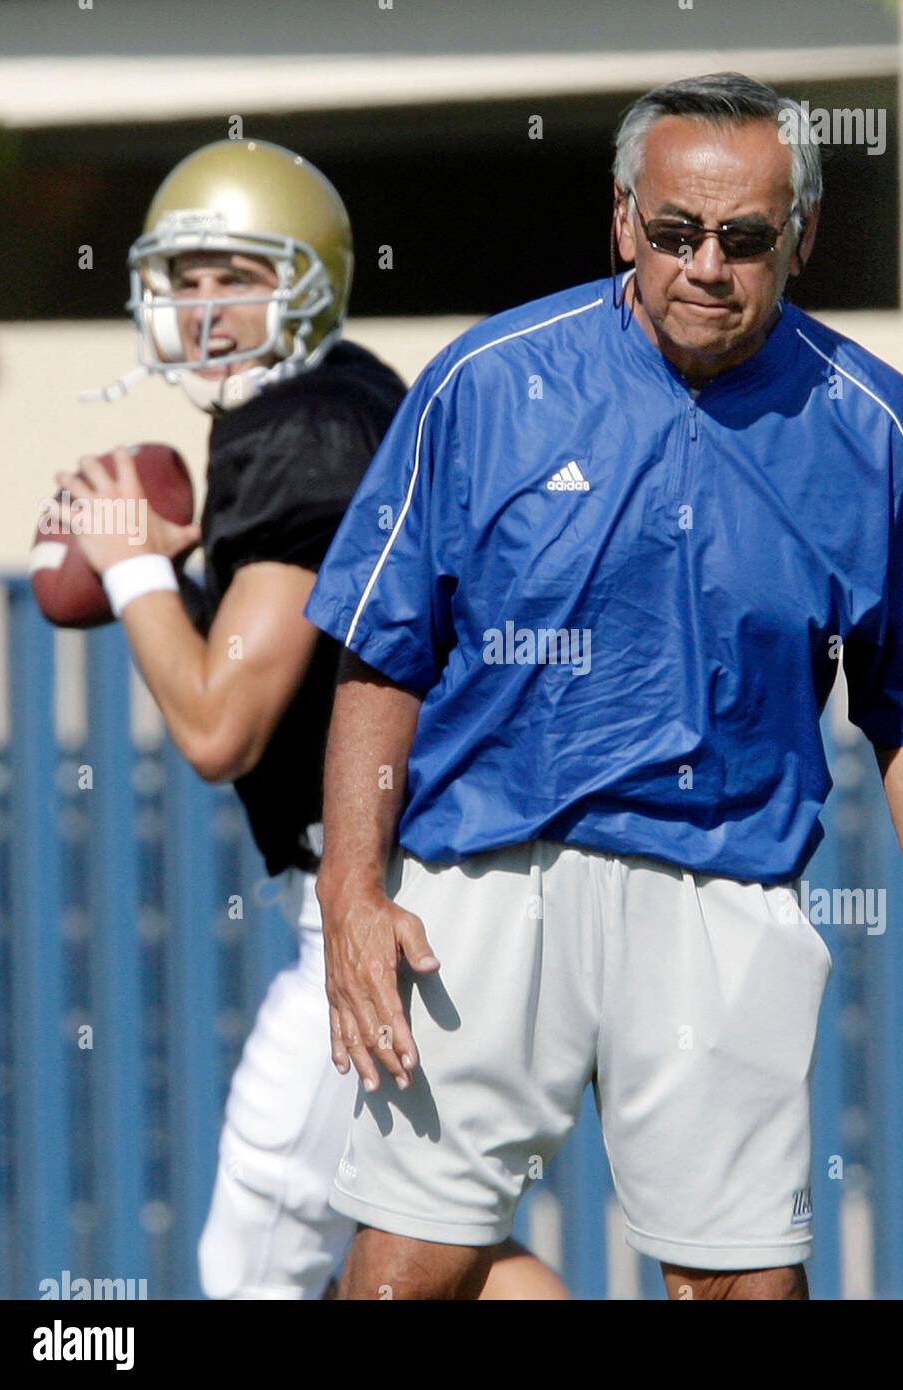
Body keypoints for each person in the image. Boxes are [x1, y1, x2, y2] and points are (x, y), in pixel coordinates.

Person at [305, 73, 903, 1301]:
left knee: (741, 1290)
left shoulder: (878, 425)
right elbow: (381, 650)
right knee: (406, 1273)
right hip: (489, 876)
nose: (706, 265)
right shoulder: (484, 383)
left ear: (801, 235)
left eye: (744, 237)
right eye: (674, 231)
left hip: (725, 887)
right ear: (622, 221)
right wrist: (350, 890)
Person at [61, 138, 568, 1300]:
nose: (205, 309)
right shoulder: (343, 396)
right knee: (431, 1244)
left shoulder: (304, 430)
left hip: (395, 893)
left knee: (257, 1261)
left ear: (308, 281)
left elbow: (218, 727)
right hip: (444, 880)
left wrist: (131, 568)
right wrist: (182, 575)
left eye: (237, 276)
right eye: (185, 280)